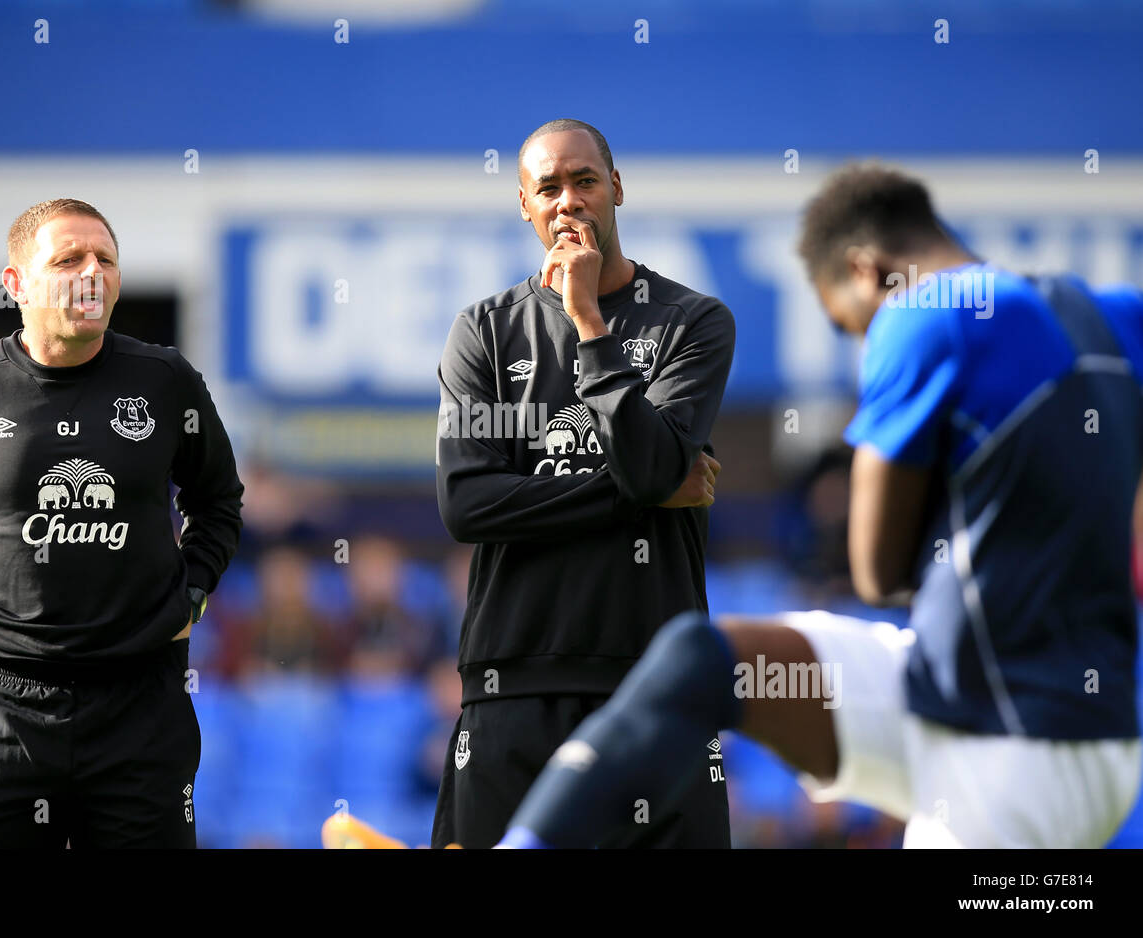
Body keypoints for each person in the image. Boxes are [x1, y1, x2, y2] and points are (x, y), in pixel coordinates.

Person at [497, 163, 1143, 849]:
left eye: (851, 325)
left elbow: (876, 569)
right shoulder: (1116, 316)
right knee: (708, 659)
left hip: (1018, 757)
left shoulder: (923, 315)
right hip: (982, 701)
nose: (867, 342)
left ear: (868, 273)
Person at [0, 199, 245, 848]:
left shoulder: (165, 382)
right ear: (16, 284)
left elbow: (219, 499)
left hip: (140, 699)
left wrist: (194, 593)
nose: (91, 272)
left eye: (106, 259)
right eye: (69, 259)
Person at [433, 119, 736, 848]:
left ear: (617, 188)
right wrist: (642, 487)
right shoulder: (483, 331)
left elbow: (653, 464)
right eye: (548, 188)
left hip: (656, 686)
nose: (567, 202)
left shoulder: (692, 322)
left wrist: (588, 325)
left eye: (584, 181)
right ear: (526, 206)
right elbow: (467, 504)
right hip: (510, 687)